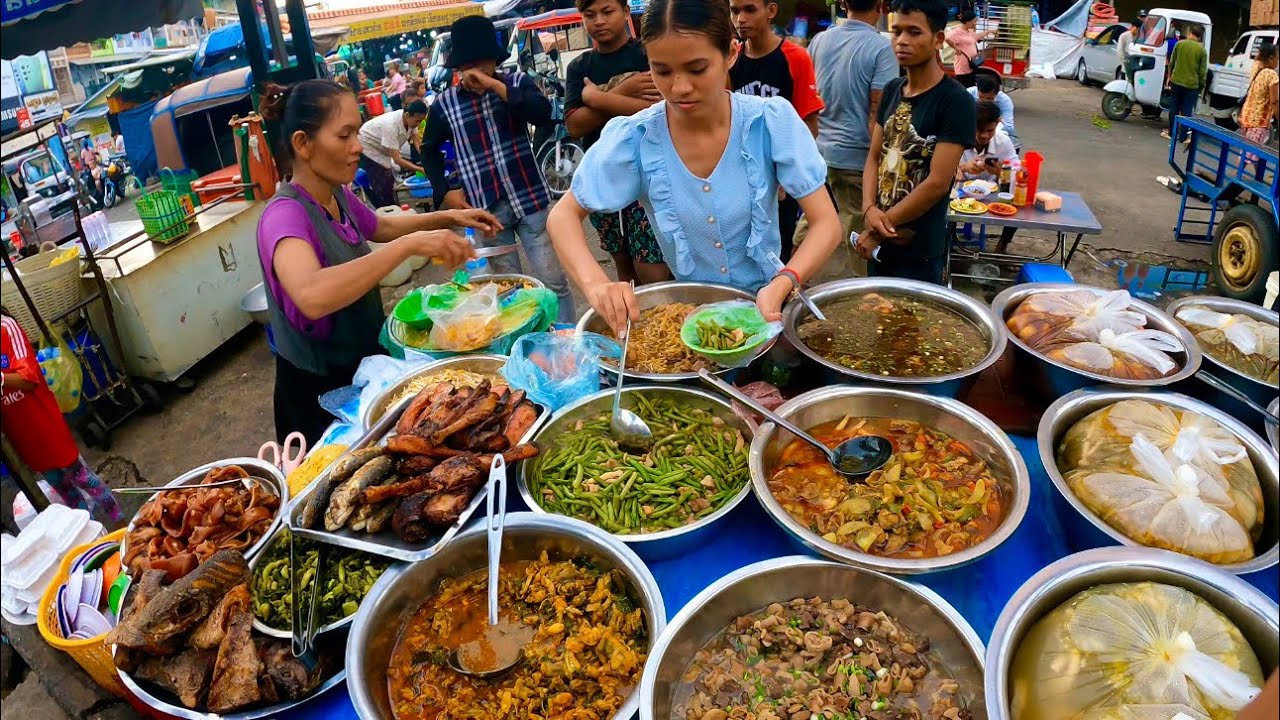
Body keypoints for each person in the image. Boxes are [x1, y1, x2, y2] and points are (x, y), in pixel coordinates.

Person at [548, 0, 842, 336]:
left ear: (731, 54)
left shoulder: (769, 122)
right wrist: (598, 286)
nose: (680, 87)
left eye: (697, 69)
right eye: (662, 71)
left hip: (769, 310)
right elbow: (562, 216)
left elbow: (826, 224)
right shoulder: (636, 138)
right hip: (693, 321)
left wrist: (783, 282)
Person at [255, 80, 500, 444]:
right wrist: (410, 246)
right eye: (344, 136)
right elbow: (311, 294)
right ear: (303, 144)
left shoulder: (335, 193)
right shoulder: (285, 216)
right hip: (318, 393)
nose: (357, 147)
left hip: (364, 368)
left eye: (357, 132)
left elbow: (381, 225)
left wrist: (448, 217)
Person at [420, 15, 577, 323]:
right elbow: (428, 150)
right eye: (470, 65)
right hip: (488, 212)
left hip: (529, 198)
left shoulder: (516, 83)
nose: (477, 71)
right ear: (459, 67)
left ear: (496, 60)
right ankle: (528, 344)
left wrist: (495, 85)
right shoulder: (444, 104)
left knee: (553, 279)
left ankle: (567, 338)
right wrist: (444, 190)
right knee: (509, 289)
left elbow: (542, 114)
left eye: (484, 63)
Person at [858, 0, 975, 284]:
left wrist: (876, 229)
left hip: (918, 251)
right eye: (897, 32)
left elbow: (937, 183)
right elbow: (874, 156)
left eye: (914, 32)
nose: (902, 41)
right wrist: (868, 208)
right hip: (880, 244)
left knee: (913, 327)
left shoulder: (955, 101)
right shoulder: (891, 90)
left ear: (938, 39)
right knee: (877, 317)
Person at [564, 0, 670, 285]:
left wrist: (597, 98)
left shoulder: (647, 53)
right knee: (622, 264)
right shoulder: (579, 67)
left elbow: (658, 109)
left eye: (607, 11)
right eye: (589, 15)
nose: (599, 21)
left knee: (652, 266)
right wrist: (624, 90)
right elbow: (575, 125)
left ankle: (662, 318)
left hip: (649, 175)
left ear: (625, 12)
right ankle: (632, 324)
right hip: (604, 175)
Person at [793, 0, 896, 276]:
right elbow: (878, 107)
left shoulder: (819, 41)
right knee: (857, 229)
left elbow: (810, 97)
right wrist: (882, 158)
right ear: (881, 5)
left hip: (817, 151)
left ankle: (791, 280)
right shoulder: (881, 48)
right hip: (855, 155)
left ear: (842, 4)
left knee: (812, 218)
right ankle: (861, 293)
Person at [2, 311, 123, 524]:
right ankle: (91, 531)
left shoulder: (6, 327)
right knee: (62, 488)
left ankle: (121, 522)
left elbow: (28, 379)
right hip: (21, 436)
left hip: (43, 422)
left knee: (82, 478)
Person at [729, 0, 824, 263]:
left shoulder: (795, 58)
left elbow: (809, 125)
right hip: (742, 177)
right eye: (735, 11)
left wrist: (787, 174)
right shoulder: (731, 57)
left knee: (777, 254)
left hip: (781, 179)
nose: (741, 19)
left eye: (749, 10)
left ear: (771, 11)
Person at [958, 100, 1018, 253]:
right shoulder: (957, 137)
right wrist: (963, 167)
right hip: (960, 193)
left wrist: (1000, 173)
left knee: (1019, 199)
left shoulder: (1003, 142)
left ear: (998, 123)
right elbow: (941, 166)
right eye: (979, 130)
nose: (984, 136)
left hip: (992, 194)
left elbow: (1018, 173)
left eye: (990, 130)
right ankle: (948, 239)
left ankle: (1002, 245)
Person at [357, 99, 427, 209]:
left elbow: (417, 141)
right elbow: (397, 159)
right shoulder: (391, 126)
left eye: (420, 121)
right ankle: (386, 209)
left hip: (382, 145)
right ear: (407, 115)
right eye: (417, 121)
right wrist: (420, 169)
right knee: (382, 182)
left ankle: (393, 205)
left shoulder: (410, 121)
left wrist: (425, 159)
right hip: (368, 146)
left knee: (389, 180)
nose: (418, 124)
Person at [1162, 23, 1206, 143]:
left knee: (1174, 108)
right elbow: (1202, 72)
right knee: (1187, 110)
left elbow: (1172, 62)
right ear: (1200, 36)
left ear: (1189, 33)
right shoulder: (1201, 50)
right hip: (1192, 85)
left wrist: (1169, 77)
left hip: (1176, 81)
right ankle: (1183, 137)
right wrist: (1201, 87)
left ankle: (1172, 133)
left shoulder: (1179, 44)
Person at [1238, 43, 1279, 156]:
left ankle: (1243, 172)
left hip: (1246, 117)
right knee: (1251, 154)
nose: (1278, 62)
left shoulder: (1256, 68)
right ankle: (1239, 172)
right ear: (1271, 58)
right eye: (1277, 58)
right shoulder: (1271, 75)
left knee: (1249, 152)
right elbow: (1275, 101)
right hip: (1259, 121)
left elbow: (1258, 60)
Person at [945, 9, 994, 88]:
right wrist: (956, 49)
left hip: (971, 66)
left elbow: (978, 36)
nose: (975, 23)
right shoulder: (957, 32)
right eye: (974, 21)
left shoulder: (969, 31)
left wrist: (989, 32)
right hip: (962, 68)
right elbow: (947, 38)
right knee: (964, 88)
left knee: (971, 87)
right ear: (967, 22)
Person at [968, 72, 1015, 140]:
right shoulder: (968, 94)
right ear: (977, 89)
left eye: (989, 99)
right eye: (981, 97)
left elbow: (1010, 129)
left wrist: (998, 122)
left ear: (997, 94)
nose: (984, 102)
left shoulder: (1005, 101)